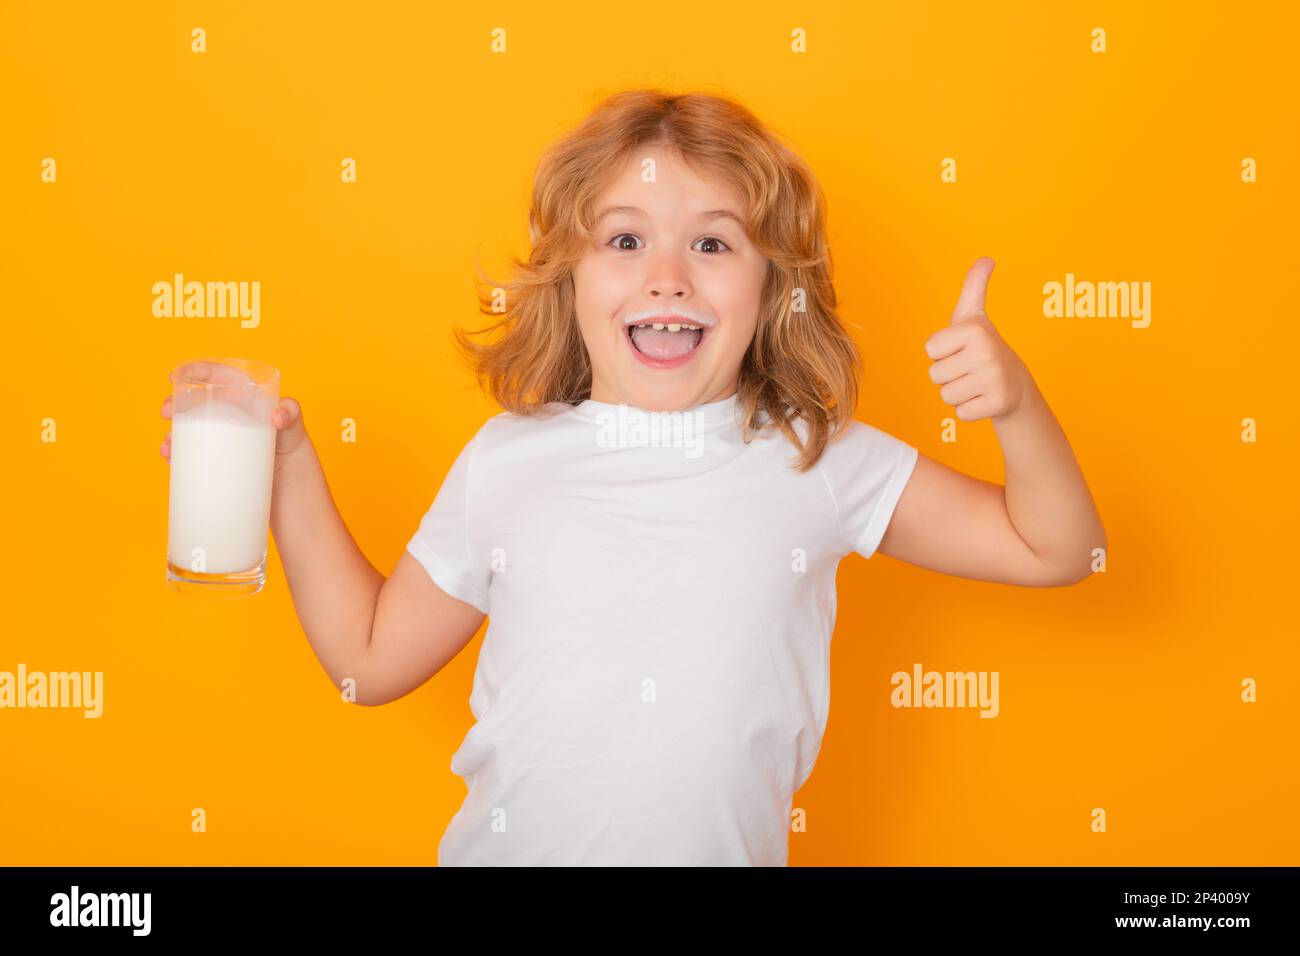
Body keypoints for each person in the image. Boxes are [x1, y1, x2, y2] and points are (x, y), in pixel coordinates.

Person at [159, 88, 1106, 866]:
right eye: (623, 241)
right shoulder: (506, 460)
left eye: (712, 242)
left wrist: (1017, 407)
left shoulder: (816, 456)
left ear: (772, 290)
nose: (667, 277)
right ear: (568, 285)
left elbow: (1057, 547)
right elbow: (365, 665)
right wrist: (284, 465)